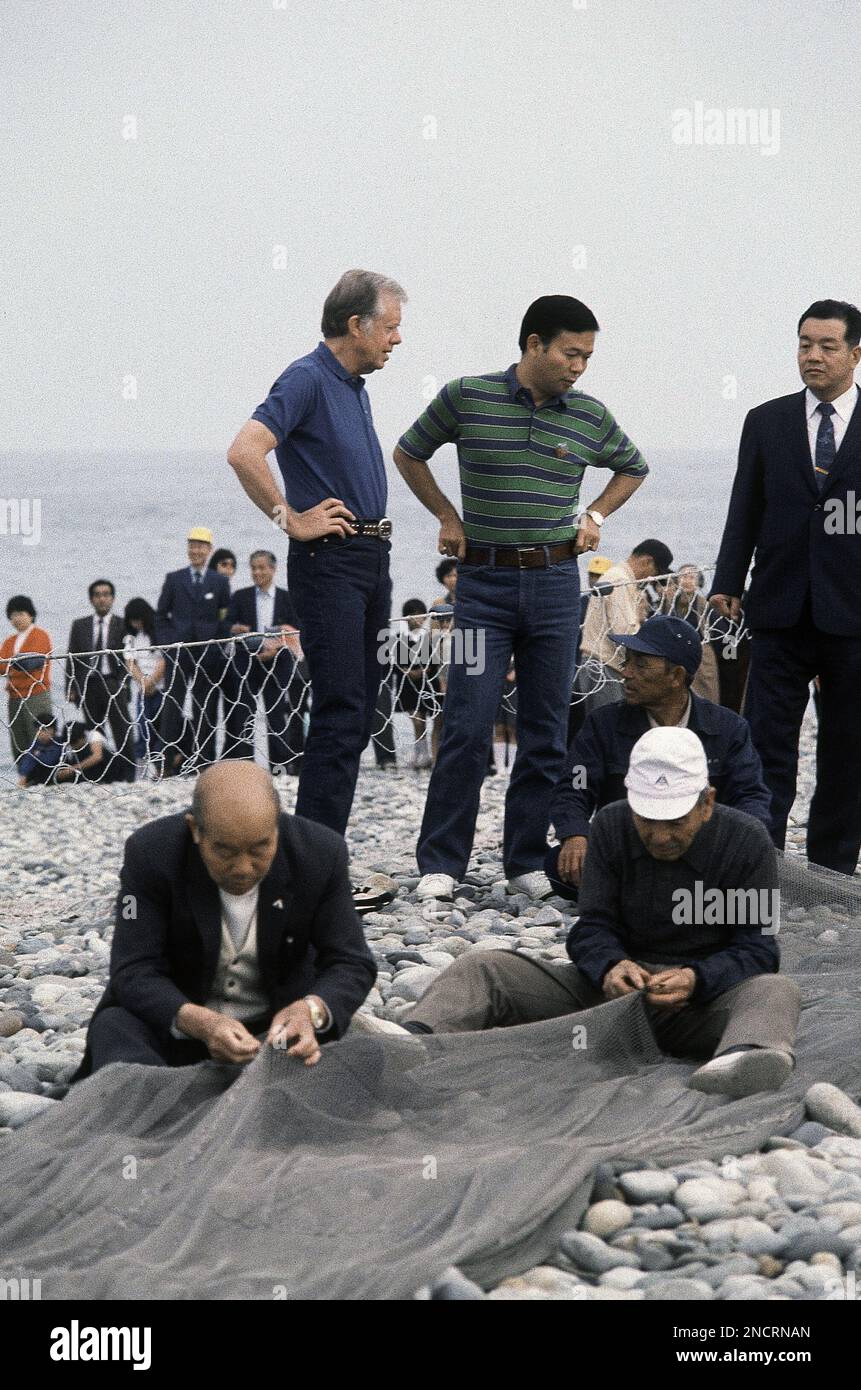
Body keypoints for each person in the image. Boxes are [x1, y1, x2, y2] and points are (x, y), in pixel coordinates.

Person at [382, 728, 800, 1102]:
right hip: (607, 998)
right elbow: (591, 928)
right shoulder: (611, 825)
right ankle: (412, 1042)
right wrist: (610, 966)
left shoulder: (748, 841)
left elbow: (759, 949)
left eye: (674, 821)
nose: (658, 836)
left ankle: (742, 1060)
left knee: (773, 991)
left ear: (706, 803)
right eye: (647, 819)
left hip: (698, 1007)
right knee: (484, 967)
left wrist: (697, 978)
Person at [393, 294, 649, 902]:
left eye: (588, 356)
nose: (579, 366)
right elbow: (409, 452)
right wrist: (445, 514)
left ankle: (525, 860)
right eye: (570, 353)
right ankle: (442, 863)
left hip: (559, 586)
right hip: (482, 588)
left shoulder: (588, 415)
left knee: (546, 729)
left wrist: (594, 512)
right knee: (466, 724)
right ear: (533, 344)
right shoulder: (466, 395)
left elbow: (633, 466)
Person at [227, 269, 407, 836]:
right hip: (330, 561)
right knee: (339, 711)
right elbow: (244, 451)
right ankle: (313, 861)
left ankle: (319, 851)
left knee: (357, 714)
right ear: (355, 325)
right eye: (391, 328)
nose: (397, 340)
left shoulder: (355, 386)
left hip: (370, 559)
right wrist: (292, 520)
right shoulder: (307, 377)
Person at [76, 761, 377, 1076]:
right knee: (115, 1029)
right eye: (225, 852)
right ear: (195, 830)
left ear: (277, 826)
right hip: (179, 1029)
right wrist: (200, 1022)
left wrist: (311, 1010)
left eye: (260, 848)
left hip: (275, 1035)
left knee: (362, 1054)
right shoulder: (150, 854)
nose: (243, 868)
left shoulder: (320, 853)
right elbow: (132, 969)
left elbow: (351, 961)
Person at [711, 299, 861, 874]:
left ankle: (831, 873)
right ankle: (759, 865)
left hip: (853, 616)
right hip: (776, 608)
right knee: (764, 747)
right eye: (804, 344)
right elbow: (743, 507)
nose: (813, 356)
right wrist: (728, 578)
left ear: (854, 353)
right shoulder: (766, 420)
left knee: (847, 751)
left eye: (826, 346)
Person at [546, 615, 771, 898]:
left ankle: (646, 895)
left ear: (677, 676)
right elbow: (574, 786)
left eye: (640, 664)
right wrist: (575, 833)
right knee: (559, 866)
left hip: (699, 851)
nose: (626, 672)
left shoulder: (728, 729)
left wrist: (737, 845)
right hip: (631, 848)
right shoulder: (602, 724)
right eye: (627, 661)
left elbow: (751, 795)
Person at [155, 527, 231, 772]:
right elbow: (160, 616)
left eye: (201, 546)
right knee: (172, 705)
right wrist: (169, 643)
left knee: (205, 706)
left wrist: (217, 646)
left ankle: (204, 761)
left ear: (209, 550)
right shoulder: (174, 579)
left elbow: (225, 618)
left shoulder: (219, 582)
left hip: (207, 654)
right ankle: (165, 761)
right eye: (192, 545)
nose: (196, 550)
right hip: (178, 652)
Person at [224, 549, 307, 774]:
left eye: (261, 567)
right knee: (244, 713)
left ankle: (279, 766)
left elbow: (297, 630)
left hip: (278, 661)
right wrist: (234, 629)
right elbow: (226, 625)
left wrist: (277, 645)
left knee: (276, 712)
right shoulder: (240, 596)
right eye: (253, 568)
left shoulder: (287, 598)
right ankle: (245, 766)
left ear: (273, 569)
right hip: (246, 661)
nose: (257, 572)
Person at [578, 540, 674, 713]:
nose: (651, 578)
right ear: (647, 561)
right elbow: (625, 632)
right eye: (654, 572)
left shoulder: (617, 577)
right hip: (605, 668)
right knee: (609, 730)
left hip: (597, 664)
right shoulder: (620, 581)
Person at [65, 580, 135, 782]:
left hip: (113, 682)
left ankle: (129, 773)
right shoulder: (80, 625)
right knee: (95, 732)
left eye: (106, 594)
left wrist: (124, 684)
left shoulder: (122, 624)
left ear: (112, 598)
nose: (102, 598)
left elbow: (129, 657)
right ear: (91, 599)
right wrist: (71, 687)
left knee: (122, 729)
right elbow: (72, 657)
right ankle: (101, 774)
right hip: (88, 684)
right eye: (97, 594)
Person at [1, 596, 53, 768]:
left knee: (40, 737)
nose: (16, 618)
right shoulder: (10, 641)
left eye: (20, 613)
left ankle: (44, 775)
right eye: (13, 615)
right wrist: (12, 663)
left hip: (36, 694)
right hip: (15, 697)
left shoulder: (40, 635)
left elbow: (33, 663)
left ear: (30, 614)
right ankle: (25, 776)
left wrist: (11, 663)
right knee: (19, 739)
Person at [391, 599, 442, 768]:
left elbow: (435, 660)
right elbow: (395, 663)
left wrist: (423, 671)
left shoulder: (430, 638)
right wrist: (407, 671)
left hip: (428, 685)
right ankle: (421, 753)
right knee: (417, 721)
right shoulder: (399, 638)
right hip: (408, 685)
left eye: (420, 615)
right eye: (413, 615)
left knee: (433, 720)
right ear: (406, 618)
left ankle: (430, 754)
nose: (417, 619)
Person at [660, 565, 720, 703]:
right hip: (674, 655)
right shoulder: (668, 602)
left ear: (699, 582)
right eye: (683, 577)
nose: (687, 580)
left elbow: (717, 632)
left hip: (702, 657)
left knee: (706, 695)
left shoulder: (705, 604)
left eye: (692, 577)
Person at [123, 598, 166, 774]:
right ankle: (141, 772)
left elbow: (165, 660)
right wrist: (143, 682)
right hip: (142, 689)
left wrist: (152, 682)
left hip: (162, 689)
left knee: (162, 730)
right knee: (143, 730)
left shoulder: (160, 633)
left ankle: (162, 769)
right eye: (132, 620)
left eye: (138, 619)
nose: (135, 623)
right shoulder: (132, 638)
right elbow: (130, 662)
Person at [16, 716, 65, 786]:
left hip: (56, 775)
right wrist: (24, 774)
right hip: (40, 777)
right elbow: (27, 759)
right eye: (38, 730)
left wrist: (37, 754)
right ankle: (23, 780)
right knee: (23, 756)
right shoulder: (37, 743)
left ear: (53, 730)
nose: (40, 734)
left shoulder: (59, 743)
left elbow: (50, 760)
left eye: (44, 730)